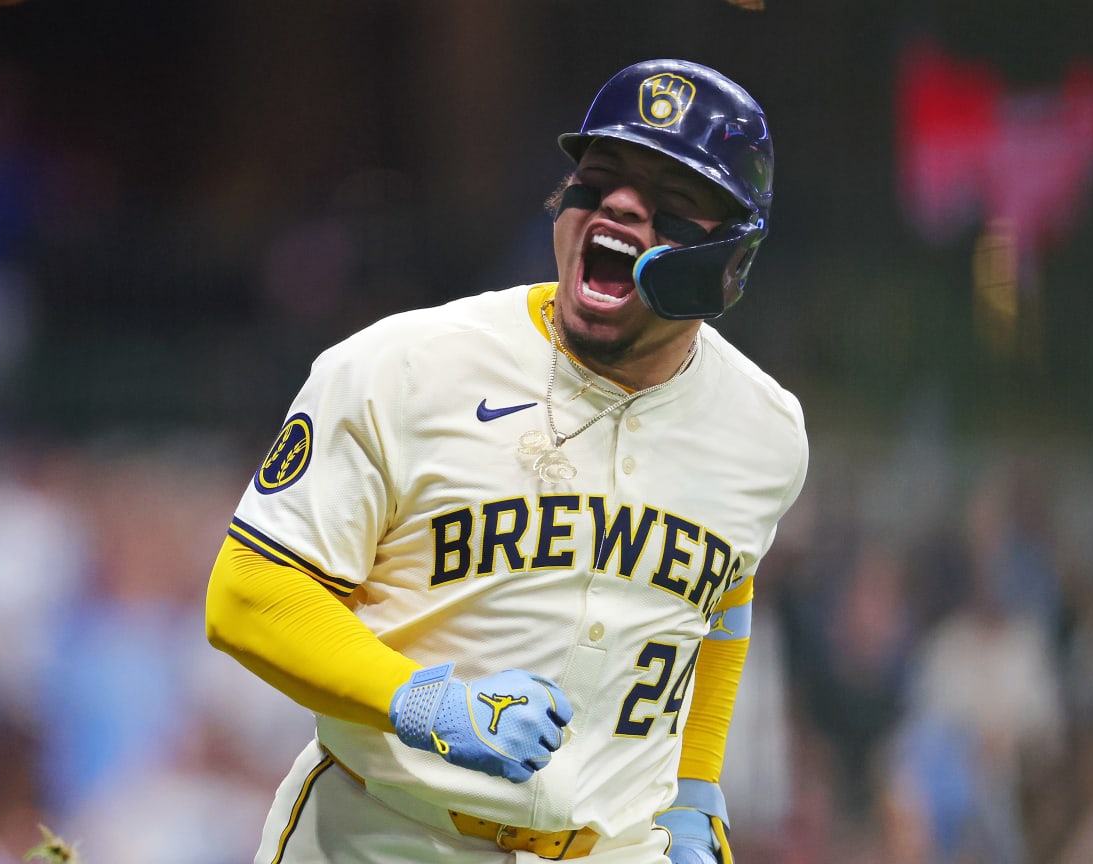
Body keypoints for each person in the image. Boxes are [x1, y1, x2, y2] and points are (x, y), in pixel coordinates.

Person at [205, 58, 808, 864]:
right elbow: (249, 594)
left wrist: (696, 791)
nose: (620, 204)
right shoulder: (401, 368)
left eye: (670, 195)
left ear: (731, 255)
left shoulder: (767, 430)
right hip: (386, 831)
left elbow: (723, 595)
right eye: (601, 177)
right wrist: (425, 704)